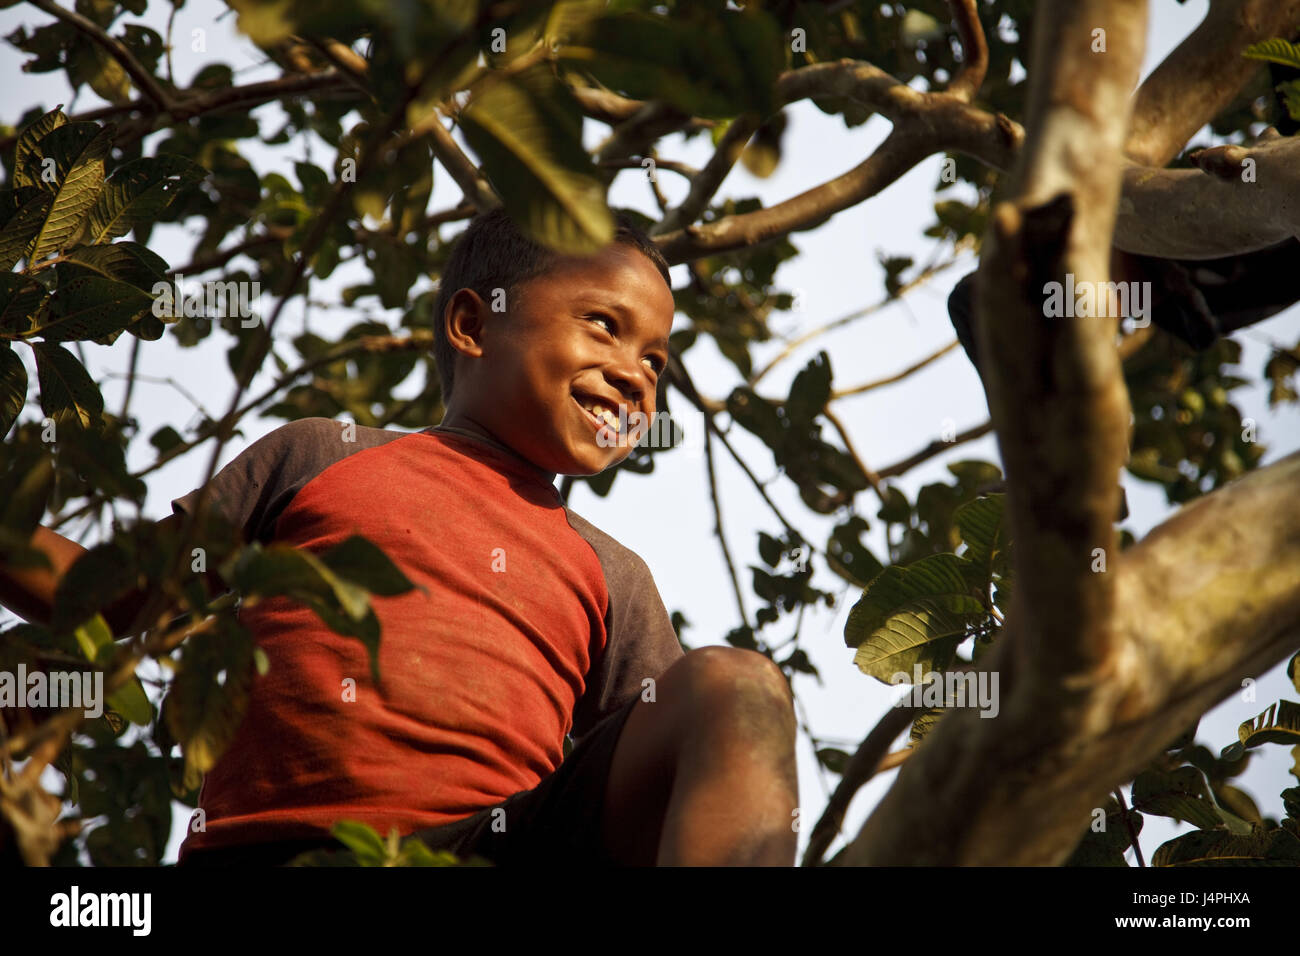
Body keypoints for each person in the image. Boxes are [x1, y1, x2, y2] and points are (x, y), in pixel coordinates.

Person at [0, 208, 799, 867]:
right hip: (272, 852)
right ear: (473, 324)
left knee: (739, 689)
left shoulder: (613, 575)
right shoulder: (319, 454)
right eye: (603, 326)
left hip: (492, 853)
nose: (635, 373)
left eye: (656, 360)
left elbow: (647, 789)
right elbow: (123, 593)